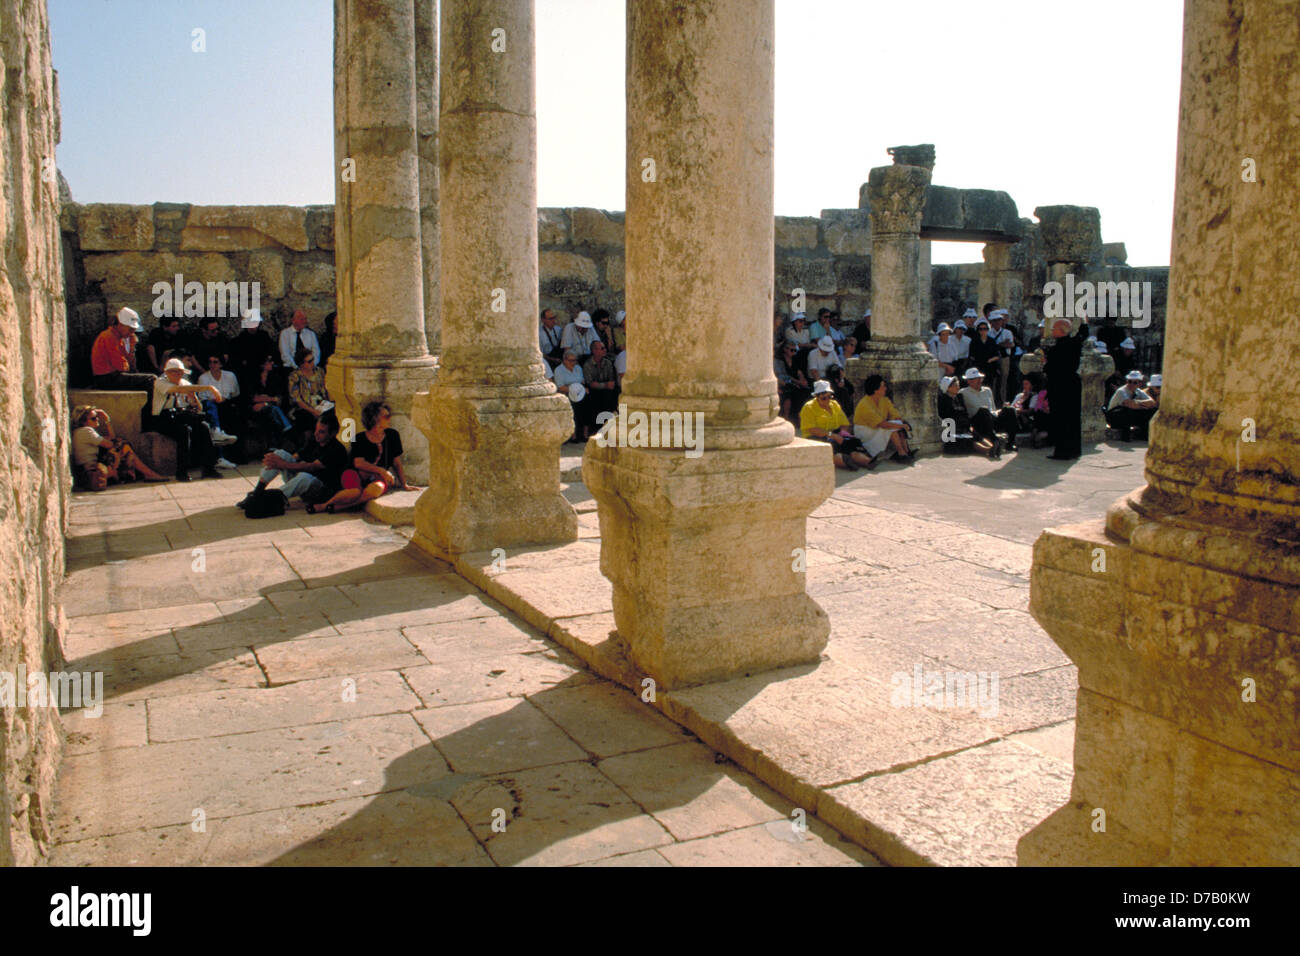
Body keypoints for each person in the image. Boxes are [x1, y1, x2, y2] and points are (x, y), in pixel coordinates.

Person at [313, 401, 418, 513]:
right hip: (355, 473)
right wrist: (382, 471)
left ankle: (341, 507)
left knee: (377, 488)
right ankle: (326, 505)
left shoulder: (393, 435)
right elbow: (359, 463)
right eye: (386, 416)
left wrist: (404, 484)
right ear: (375, 419)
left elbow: (397, 462)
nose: (389, 418)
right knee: (355, 492)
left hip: (376, 478)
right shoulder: (359, 438)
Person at [239, 413, 349, 513]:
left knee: (305, 477)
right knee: (280, 453)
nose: (316, 434)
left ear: (333, 433)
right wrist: (275, 460)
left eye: (321, 432)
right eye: (316, 429)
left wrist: (282, 464)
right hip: (301, 484)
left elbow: (312, 467)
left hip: (318, 490)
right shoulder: (314, 440)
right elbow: (295, 457)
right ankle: (257, 492)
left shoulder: (336, 449)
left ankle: (268, 498)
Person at [149, 357, 227, 480]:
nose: (178, 375)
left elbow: (199, 407)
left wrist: (194, 399)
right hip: (162, 417)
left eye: (180, 372)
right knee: (184, 431)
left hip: (179, 414)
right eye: (174, 372)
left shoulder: (184, 383)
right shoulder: (160, 382)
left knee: (204, 427)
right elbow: (175, 389)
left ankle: (209, 468)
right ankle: (182, 472)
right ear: (167, 372)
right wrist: (209, 388)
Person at [71, 405, 168, 490]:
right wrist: (107, 420)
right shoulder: (86, 431)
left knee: (121, 445)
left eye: (97, 417)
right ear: (83, 422)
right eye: (93, 418)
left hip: (86, 473)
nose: (97, 419)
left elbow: (112, 438)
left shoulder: (81, 432)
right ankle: (149, 474)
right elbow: (111, 444)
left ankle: (144, 474)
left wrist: (107, 419)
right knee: (123, 445)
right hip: (91, 473)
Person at [1043, 317, 1090, 460]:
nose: (1052, 331)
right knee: (1073, 418)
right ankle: (1074, 450)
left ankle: (1063, 451)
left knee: (1061, 418)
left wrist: (1045, 364)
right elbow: (1083, 334)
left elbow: (1050, 369)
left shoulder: (1056, 349)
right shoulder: (1074, 343)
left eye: (1054, 329)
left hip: (1060, 386)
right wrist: (1084, 320)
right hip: (1073, 384)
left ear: (1061, 331)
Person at [801, 380, 872, 471]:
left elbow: (844, 423)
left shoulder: (834, 404)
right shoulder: (808, 407)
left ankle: (866, 461)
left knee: (850, 445)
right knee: (832, 448)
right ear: (816, 397)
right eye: (824, 398)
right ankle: (844, 460)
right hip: (816, 437)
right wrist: (832, 435)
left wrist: (842, 433)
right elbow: (811, 429)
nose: (827, 400)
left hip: (835, 434)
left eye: (829, 396)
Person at [853, 374, 915, 466]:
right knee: (891, 427)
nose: (885, 388)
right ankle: (901, 453)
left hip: (877, 427)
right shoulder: (864, 404)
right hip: (864, 432)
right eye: (883, 386)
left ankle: (906, 450)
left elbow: (895, 415)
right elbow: (881, 424)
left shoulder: (884, 400)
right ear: (875, 390)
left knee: (897, 423)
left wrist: (901, 423)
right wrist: (900, 425)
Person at [90, 308, 156, 390]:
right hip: (106, 378)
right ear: (121, 324)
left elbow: (130, 365)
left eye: (133, 330)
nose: (132, 333)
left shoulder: (120, 338)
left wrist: (131, 348)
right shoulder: (109, 336)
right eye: (130, 329)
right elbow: (121, 366)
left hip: (113, 376)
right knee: (151, 379)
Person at [958, 367, 1019, 456]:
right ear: (969, 381)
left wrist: (1002, 410)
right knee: (983, 410)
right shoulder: (963, 392)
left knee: (1010, 410)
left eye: (980, 378)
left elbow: (993, 408)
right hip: (978, 421)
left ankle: (1011, 442)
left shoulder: (987, 390)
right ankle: (994, 441)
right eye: (976, 379)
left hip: (991, 418)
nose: (979, 381)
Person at [937, 375, 995, 458]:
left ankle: (993, 446)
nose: (958, 387)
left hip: (964, 426)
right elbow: (946, 416)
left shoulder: (959, 397)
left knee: (976, 435)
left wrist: (968, 425)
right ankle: (989, 450)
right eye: (955, 385)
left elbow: (965, 413)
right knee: (967, 441)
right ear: (948, 388)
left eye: (958, 385)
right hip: (952, 429)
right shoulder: (943, 400)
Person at [241, 353, 294, 440]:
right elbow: (253, 398)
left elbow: (279, 399)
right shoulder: (251, 378)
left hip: (270, 407)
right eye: (269, 361)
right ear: (262, 364)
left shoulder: (275, 377)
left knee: (272, 413)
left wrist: (264, 401)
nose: (272, 363)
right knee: (273, 411)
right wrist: (271, 399)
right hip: (254, 408)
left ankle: (273, 445)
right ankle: (288, 429)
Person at [287, 348, 333, 436]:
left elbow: (325, 390)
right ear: (301, 364)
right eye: (309, 361)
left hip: (321, 404)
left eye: (312, 360)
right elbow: (297, 399)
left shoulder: (319, 371)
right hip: (304, 407)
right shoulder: (295, 376)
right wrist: (312, 411)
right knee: (306, 418)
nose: (312, 363)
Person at [197, 354, 241, 443]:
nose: (212, 365)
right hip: (210, 405)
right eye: (210, 362)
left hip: (227, 404)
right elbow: (202, 398)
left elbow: (235, 393)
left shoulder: (230, 376)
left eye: (215, 362)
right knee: (211, 408)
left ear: (221, 364)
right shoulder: (203, 378)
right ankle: (216, 431)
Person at [1105, 370, 1158, 441]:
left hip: (1127, 415)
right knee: (1127, 410)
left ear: (1139, 383)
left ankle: (1144, 434)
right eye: (1129, 381)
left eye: (1135, 382)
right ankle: (1125, 436)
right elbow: (1129, 404)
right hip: (1114, 417)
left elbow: (1152, 402)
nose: (1131, 384)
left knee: (1150, 411)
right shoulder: (1121, 391)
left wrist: (1137, 403)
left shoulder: (1138, 391)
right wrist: (1143, 405)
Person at [227, 309, 278, 378]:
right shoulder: (239, 340)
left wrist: (269, 363)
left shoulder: (264, 336)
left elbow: (273, 351)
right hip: (249, 372)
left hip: (266, 368)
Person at [553, 350, 588, 441]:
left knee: (588, 402)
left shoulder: (578, 368)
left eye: (575, 360)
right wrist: (575, 389)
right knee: (573, 406)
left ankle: (585, 434)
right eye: (571, 360)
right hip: (567, 393)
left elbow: (582, 381)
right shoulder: (559, 370)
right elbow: (561, 387)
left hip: (579, 392)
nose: (573, 363)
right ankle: (573, 435)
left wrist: (581, 389)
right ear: (564, 360)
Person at [583, 339, 619, 423]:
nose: (605, 350)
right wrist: (605, 385)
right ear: (594, 350)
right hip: (593, 391)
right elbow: (591, 383)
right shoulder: (587, 365)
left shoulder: (608, 363)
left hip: (605, 390)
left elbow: (611, 381)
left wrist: (603, 385)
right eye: (602, 348)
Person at [1011, 373, 1051, 447]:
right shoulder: (1041, 393)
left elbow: (1032, 410)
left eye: (1027, 384)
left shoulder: (1035, 395)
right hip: (1041, 417)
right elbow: (1037, 409)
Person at [775, 342, 811, 422]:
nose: (794, 352)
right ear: (785, 349)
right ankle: (787, 418)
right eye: (792, 350)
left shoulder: (795, 359)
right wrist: (798, 382)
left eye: (795, 350)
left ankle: (800, 417)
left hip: (795, 383)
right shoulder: (780, 361)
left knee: (806, 392)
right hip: (786, 383)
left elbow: (799, 372)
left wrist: (803, 379)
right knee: (792, 393)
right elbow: (784, 376)